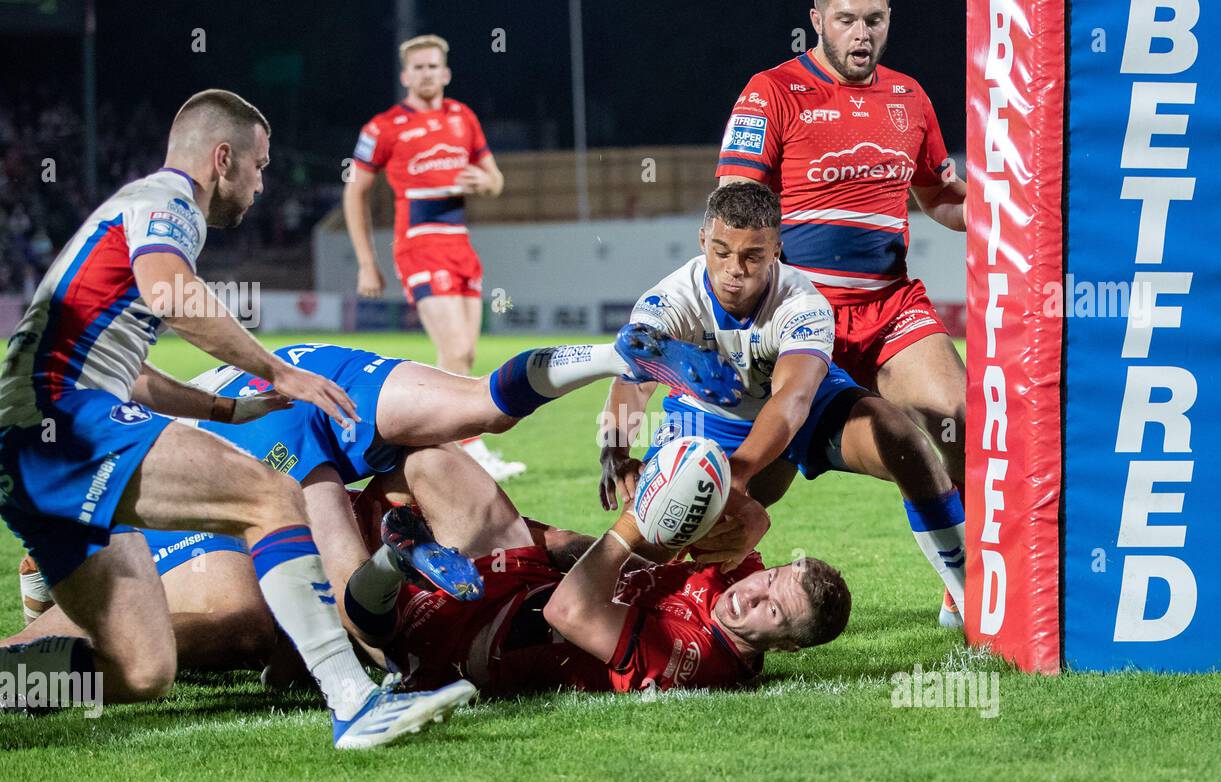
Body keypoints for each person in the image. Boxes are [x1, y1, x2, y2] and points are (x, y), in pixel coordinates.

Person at [0, 90, 477, 748]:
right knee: (269, 493)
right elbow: (171, 293)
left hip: (34, 443)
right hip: (63, 423)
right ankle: (355, 702)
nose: (262, 183)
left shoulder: (124, 219)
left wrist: (224, 407)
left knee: (142, 668)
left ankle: (6, 678)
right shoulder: (168, 203)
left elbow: (131, 375)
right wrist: (279, 370)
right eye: (259, 166)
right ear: (222, 159)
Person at [8, 331, 744, 678]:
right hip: (262, 414)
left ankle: (617, 353)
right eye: (258, 166)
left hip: (297, 394)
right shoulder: (161, 231)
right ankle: (38, 633)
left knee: (478, 412)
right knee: (251, 624)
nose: (263, 179)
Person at [598, 181, 968, 623]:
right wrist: (615, 449)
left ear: (776, 248)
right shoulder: (671, 298)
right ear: (702, 241)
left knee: (903, 442)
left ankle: (969, 595)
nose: (734, 269)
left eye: (752, 256)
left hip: (807, 408)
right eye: (721, 251)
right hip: (707, 418)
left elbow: (792, 399)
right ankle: (648, 612)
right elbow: (635, 373)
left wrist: (737, 474)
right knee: (659, 534)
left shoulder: (803, 302)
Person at [716, 0, 968, 626]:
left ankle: (968, 585)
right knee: (747, 488)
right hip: (800, 319)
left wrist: (1017, 205)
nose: (863, 33)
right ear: (819, 18)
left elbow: (940, 198)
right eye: (848, 19)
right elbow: (736, 203)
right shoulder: (772, 92)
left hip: (889, 307)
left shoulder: (910, 96)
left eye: (876, 19)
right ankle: (682, 601)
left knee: (960, 425)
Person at [346, 443, 853, 697]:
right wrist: (737, 507)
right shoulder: (739, 584)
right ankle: (392, 546)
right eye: (767, 580)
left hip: (470, 641)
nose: (752, 595)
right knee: (427, 459)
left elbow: (570, 610)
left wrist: (635, 522)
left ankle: (374, 555)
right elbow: (734, 515)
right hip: (517, 581)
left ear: (785, 645)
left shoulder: (699, 661)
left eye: (772, 611)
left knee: (330, 533)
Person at [342, 33, 522, 482]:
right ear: (406, 75)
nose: (425, 73)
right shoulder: (383, 127)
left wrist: (484, 185)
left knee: (467, 352)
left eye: (432, 66)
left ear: (446, 72)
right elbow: (355, 193)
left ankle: (451, 447)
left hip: (459, 243)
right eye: (417, 67)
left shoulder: (463, 118)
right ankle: (463, 450)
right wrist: (367, 261)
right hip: (418, 243)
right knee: (455, 350)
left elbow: (495, 179)